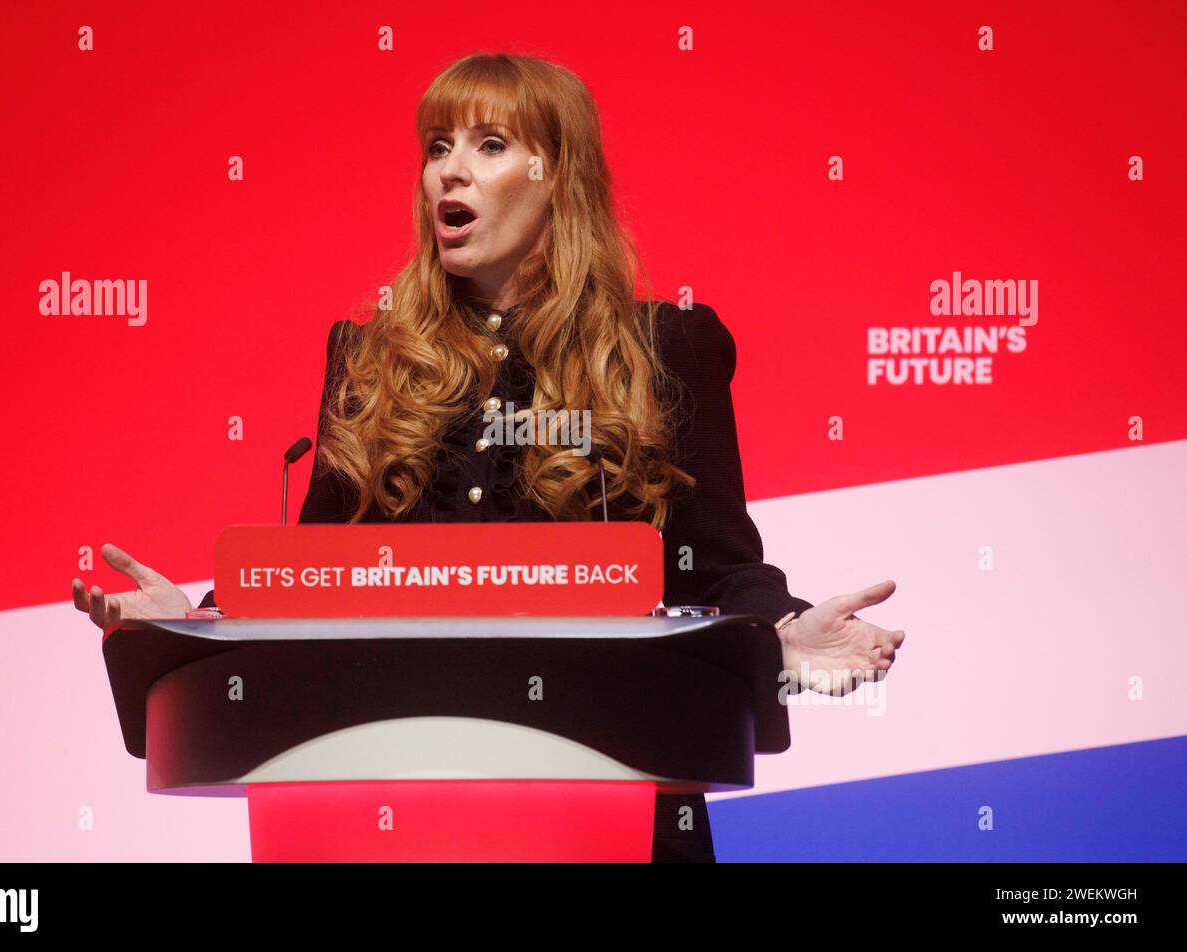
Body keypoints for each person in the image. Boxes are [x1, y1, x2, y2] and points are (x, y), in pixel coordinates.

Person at [72, 52, 907, 862]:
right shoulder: (370, 360)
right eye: (437, 148)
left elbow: (717, 565)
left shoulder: (663, 351)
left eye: (489, 145)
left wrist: (788, 630)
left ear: (558, 179)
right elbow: (310, 577)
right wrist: (190, 624)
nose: (449, 172)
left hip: (614, 803)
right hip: (394, 806)